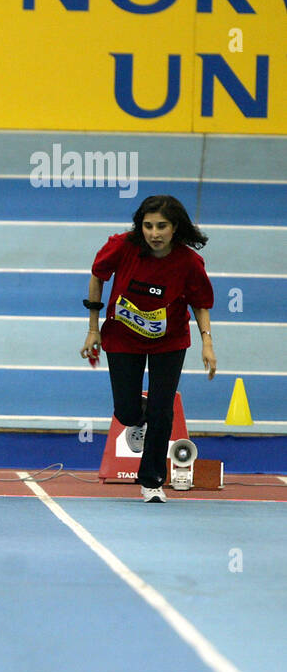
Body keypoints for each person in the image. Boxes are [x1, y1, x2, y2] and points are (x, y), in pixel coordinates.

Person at [81, 195, 216, 503]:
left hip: (169, 341)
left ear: (175, 227)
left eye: (162, 226)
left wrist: (207, 342)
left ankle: (152, 479)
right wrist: (92, 329)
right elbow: (98, 276)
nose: (154, 233)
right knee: (127, 413)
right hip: (122, 337)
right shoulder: (122, 246)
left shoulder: (189, 262)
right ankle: (145, 417)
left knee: (162, 408)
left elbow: (201, 302)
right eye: (148, 226)